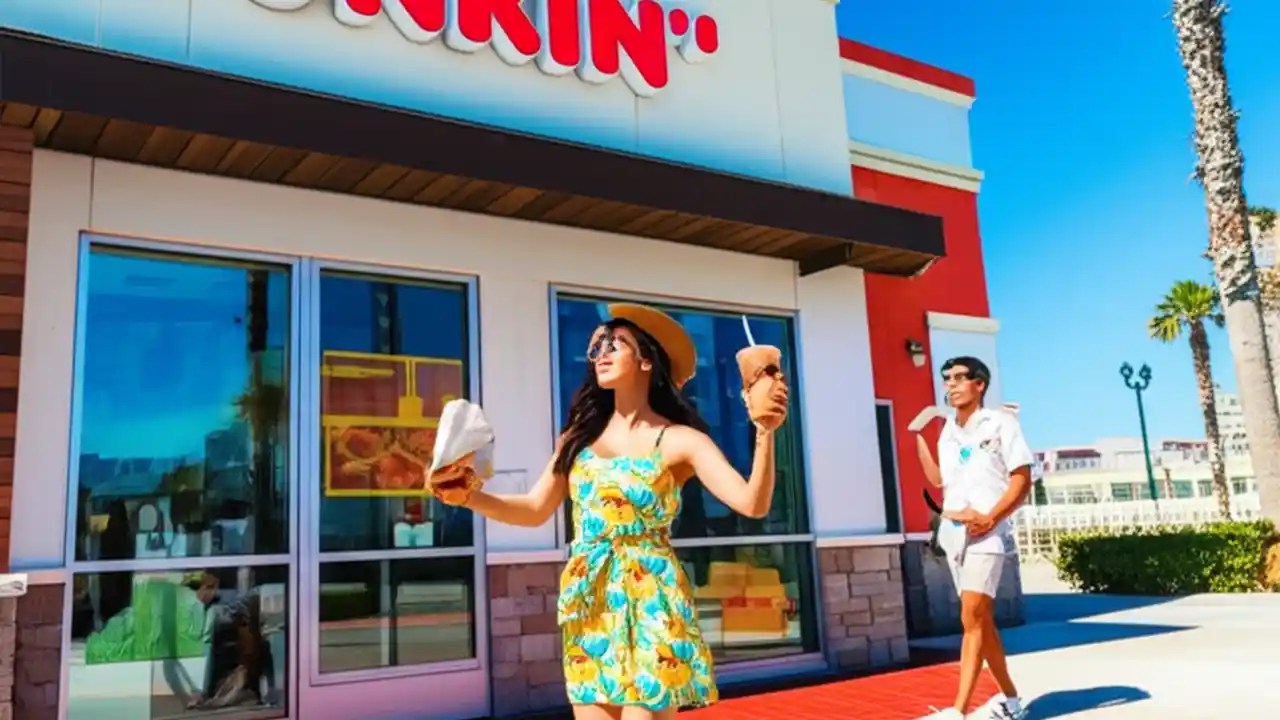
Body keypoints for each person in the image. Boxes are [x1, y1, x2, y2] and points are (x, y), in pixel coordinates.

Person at [431, 303, 788, 719]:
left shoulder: (679, 440)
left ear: (646, 359)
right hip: (591, 600)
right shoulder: (577, 440)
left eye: (614, 344)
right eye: (596, 346)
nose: (600, 353)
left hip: (652, 597)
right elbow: (533, 509)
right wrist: (467, 496)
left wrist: (764, 432)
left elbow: (752, 502)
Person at [914, 356, 1031, 720]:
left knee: (971, 619)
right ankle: (1011, 701)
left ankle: (958, 711)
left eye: (959, 378)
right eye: (946, 378)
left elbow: (1022, 479)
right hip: (954, 535)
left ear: (979, 384)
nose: (950, 384)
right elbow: (937, 480)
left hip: (989, 535)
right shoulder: (948, 431)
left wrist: (991, 517)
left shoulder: (1000, 423)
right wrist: (918, 434)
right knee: (980, 622)